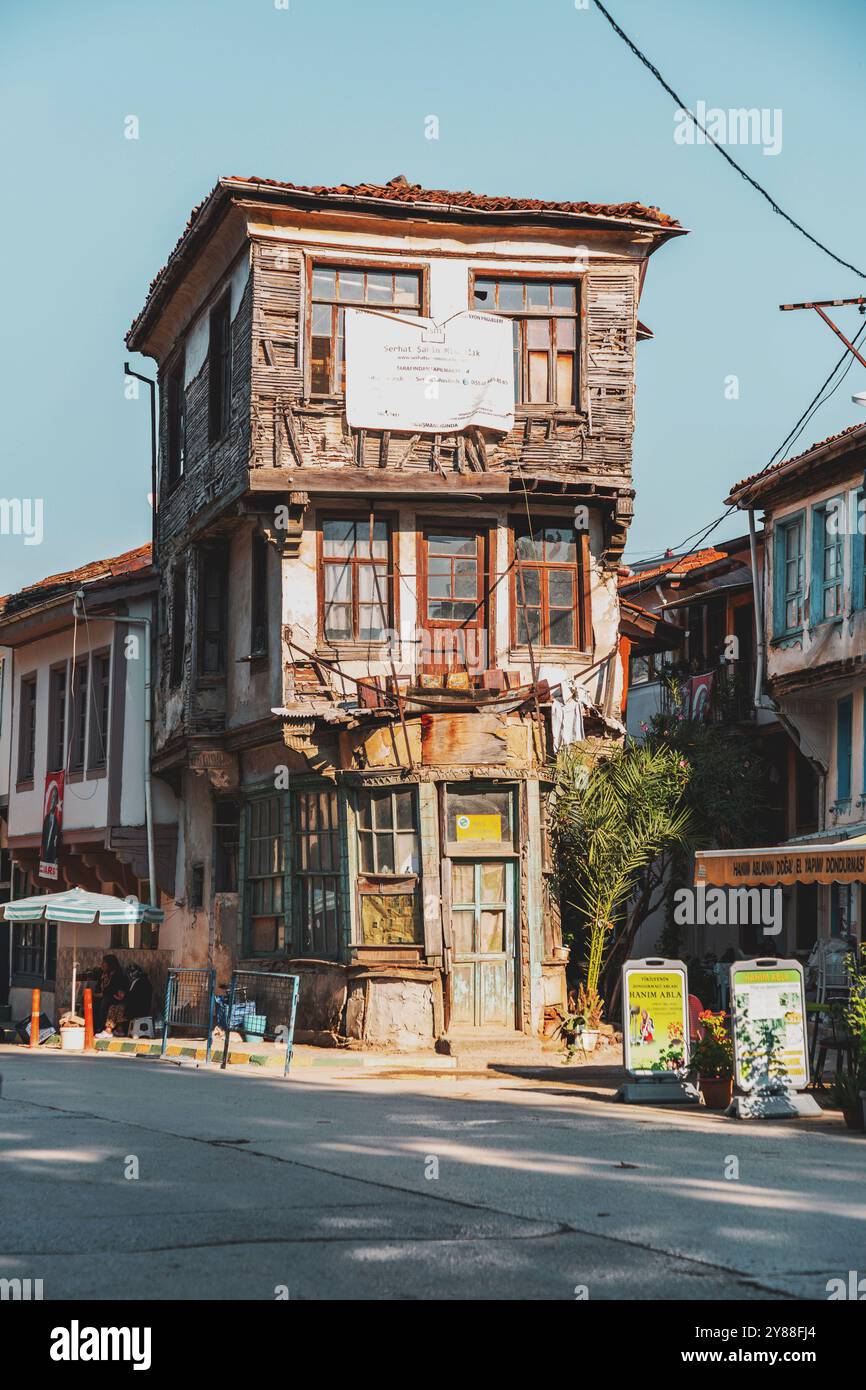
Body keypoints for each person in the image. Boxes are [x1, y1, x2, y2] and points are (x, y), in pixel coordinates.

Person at [93, 954, 129, 1035]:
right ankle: (94, 1026)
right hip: (102, 997)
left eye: (104, 963)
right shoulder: (103, 975)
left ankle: (102, 1027)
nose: (102, 964)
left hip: (113, 999)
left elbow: (111, 991)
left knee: (105, 1002)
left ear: (110, 964)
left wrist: (100, 995)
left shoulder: (117, 976)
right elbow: (98, 988)